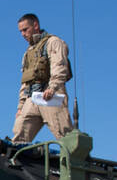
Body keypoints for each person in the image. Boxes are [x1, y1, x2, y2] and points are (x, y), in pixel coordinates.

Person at [11, 13, 74, 144]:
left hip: (51, 95)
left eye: (25, 29)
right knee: (18, 137)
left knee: (66, 137)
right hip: (33, 97)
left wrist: (52, 88)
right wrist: (20, 106)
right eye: (20, 31)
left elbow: (59, 67)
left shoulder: (53, 42)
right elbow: (26, 81)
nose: (23, 34)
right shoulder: (28, 53)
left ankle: (78, 162)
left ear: (35, 26)